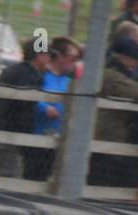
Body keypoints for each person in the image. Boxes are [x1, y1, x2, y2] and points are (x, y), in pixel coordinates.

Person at [88, 35, 138, 191]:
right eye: (134, 59)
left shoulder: (109, 72)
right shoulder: (112, 75)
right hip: (106, 136)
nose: (137, 64)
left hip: (107, 136)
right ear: (124, 57)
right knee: (99, 183)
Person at [0, 36, 48, 178]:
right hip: (11, 136)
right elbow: (23, 106)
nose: (49, 58)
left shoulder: (12, 70)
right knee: (7, 177)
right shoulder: (30, 76)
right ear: (39, 55)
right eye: (47, 54)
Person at [27, 35, 81, 181]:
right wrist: (45, 108)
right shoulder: (42, 76)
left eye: (77, 59)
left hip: (60, 139)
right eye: (72, 58)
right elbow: (31, 98)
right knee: (34, 176)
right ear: (59, 56)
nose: (75, 62)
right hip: (38, 137)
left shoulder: (70, 82)